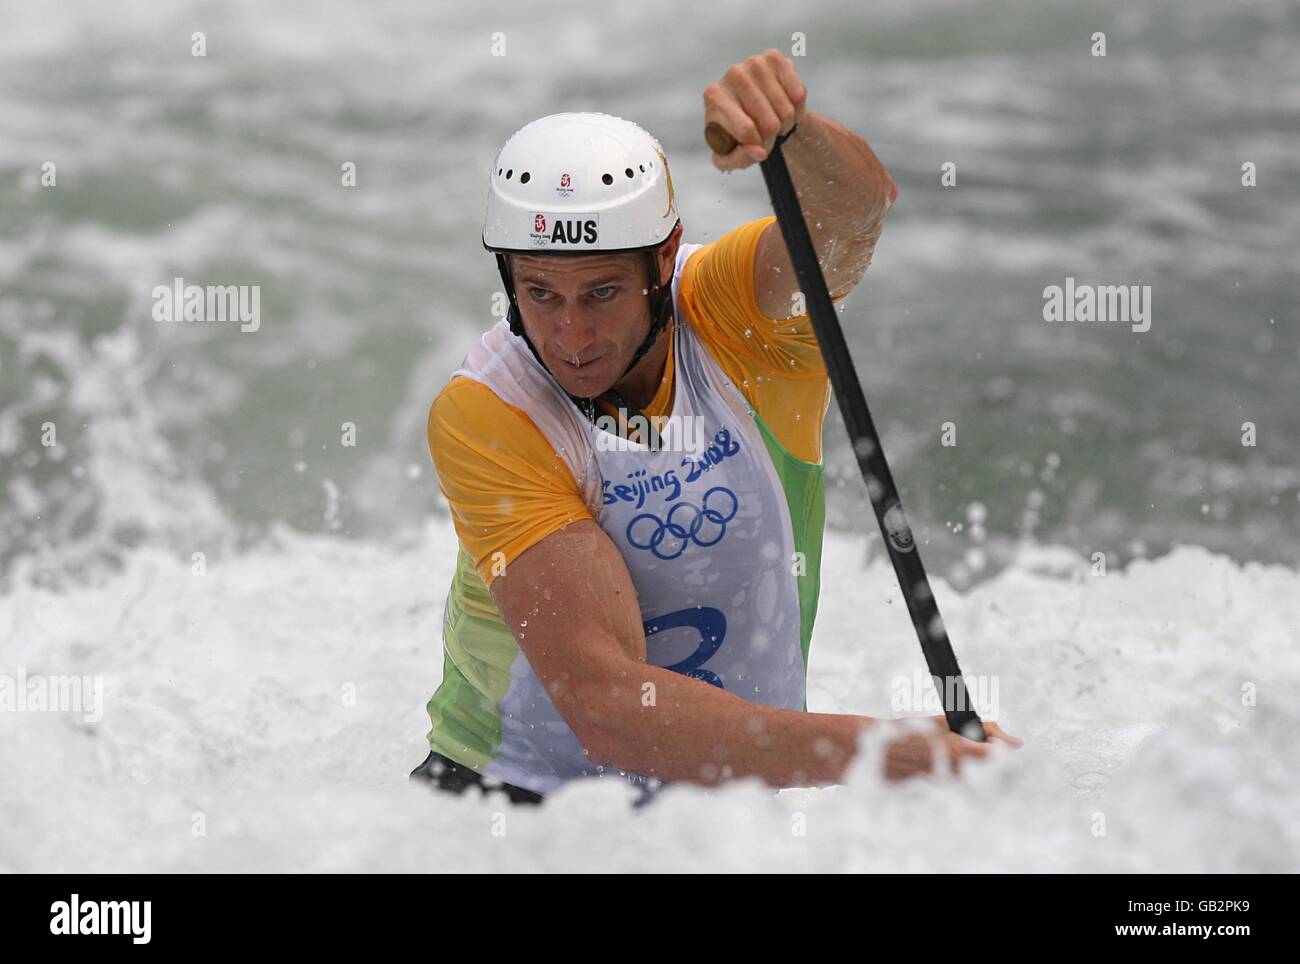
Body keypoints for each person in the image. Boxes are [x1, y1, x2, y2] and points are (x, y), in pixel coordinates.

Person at [411, 49, 1020, 807]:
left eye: (601, 293)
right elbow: (608, 710)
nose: (570, 335)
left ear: (663, 259)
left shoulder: (738, 316)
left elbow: (852, 215)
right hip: (508, 802)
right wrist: (891, 755)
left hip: (727, 808)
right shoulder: (487, 414)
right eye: (539, 293)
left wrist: (792, 132)